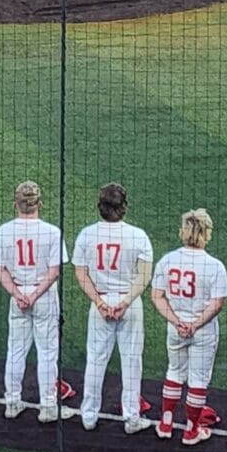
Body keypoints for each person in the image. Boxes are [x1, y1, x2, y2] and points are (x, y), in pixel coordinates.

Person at [72, 183, 154, 433]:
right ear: (124, 207)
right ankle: (131, 418)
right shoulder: (138, 235)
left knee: (95, 360)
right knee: (131, 361)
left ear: (100, 208)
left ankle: (88, 415)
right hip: (129, 304)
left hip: (100, 304)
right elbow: (144, 276)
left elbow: (81, 273)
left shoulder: (87, 234)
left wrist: (99, 302)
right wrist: (125, 302)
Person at [0, 179, 69, 422]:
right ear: (40, 203)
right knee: (47, 352)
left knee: (15, 350)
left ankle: (12, 402)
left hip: (18, 296)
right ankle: (47, 407)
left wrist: (17, 294)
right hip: (44, 295)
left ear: (16, 204)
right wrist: (34, 295)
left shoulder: (5, 231)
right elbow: (54, 271)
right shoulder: (52, 232)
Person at [151, 207, 227, 444]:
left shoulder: (168, 260)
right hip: (202, 329)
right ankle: (192, 430)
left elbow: (157, 296)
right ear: (206, 233)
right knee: (198, 378)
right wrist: (194, 324)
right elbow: (217, 303)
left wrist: (176, 322)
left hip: (175, 327)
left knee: (174, 371)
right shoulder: (214, 265)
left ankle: (165, 423)